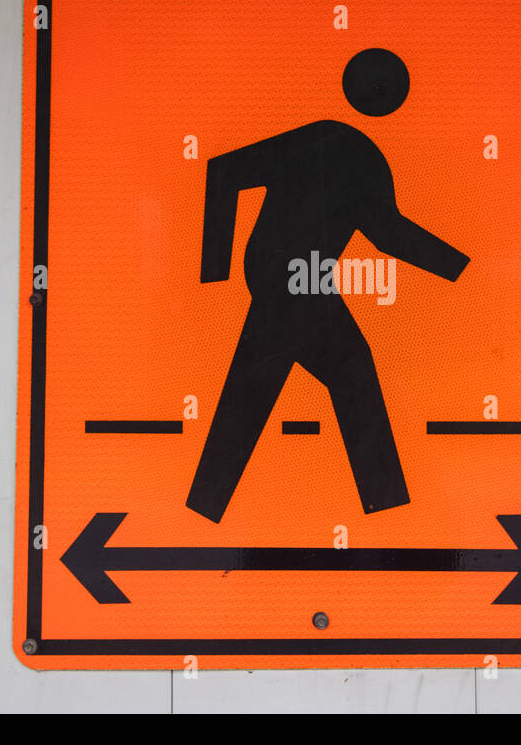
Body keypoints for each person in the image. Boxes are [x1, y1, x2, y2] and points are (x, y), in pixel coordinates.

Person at [187, 48, 469, 523]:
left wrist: (458, 268)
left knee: (279, 382)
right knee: (342, 374)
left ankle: (205, 508)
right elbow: (225, 172)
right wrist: (214, 271)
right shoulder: (339, 145)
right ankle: (389, 514)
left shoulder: (350, 151)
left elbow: (386, 232)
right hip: (292, 281)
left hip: (298, 280)